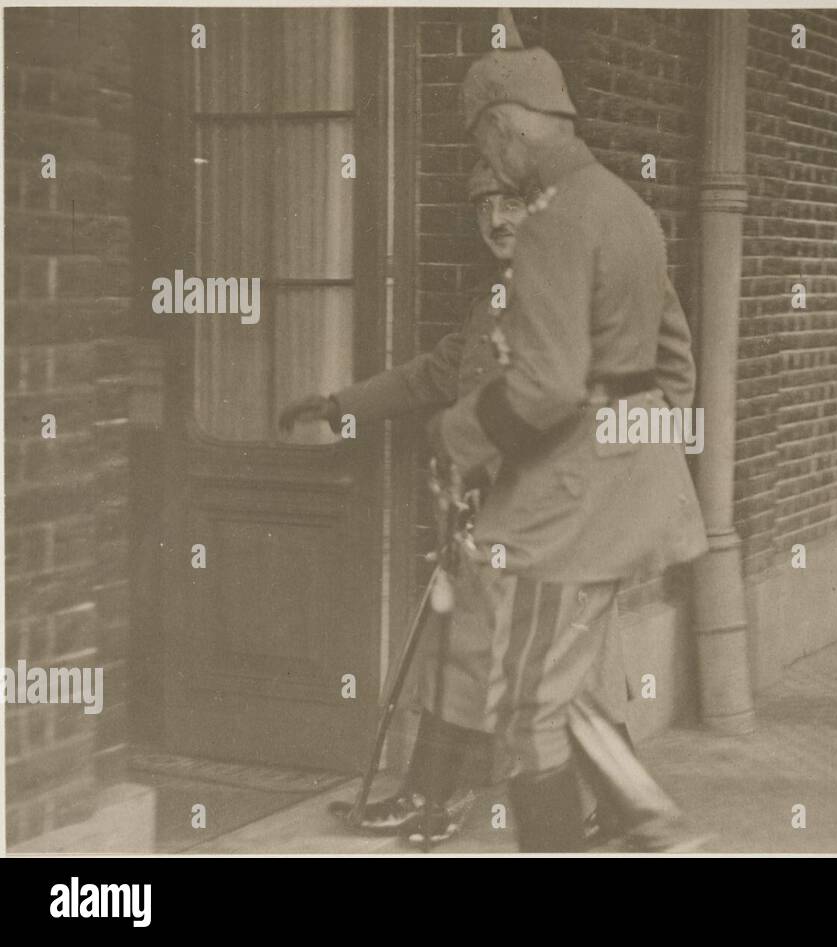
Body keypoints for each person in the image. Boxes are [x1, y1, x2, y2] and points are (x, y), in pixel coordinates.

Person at [425, 45, 709, 852]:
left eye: (484, 145)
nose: (490, 168)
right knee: (570, 682)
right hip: (628, 496)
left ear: (507, 129)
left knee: (523, 709)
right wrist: (635, 447)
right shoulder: (626, 206)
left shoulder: (554, 222)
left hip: (563, 510)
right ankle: (645, 813)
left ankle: (627, 829)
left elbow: (545, 390)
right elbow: (672, 361)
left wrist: (456, 433)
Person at [278, 162, 538, 847]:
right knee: (454, 652)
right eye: (485, 204)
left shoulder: (559, 301)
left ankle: (444, 798)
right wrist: (342, 405)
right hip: (480, 515)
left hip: (533, 518)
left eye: (512, 202)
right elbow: (436, 372)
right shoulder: (495, 302)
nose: (497, 220)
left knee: (491, 661)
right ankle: (426, 791)